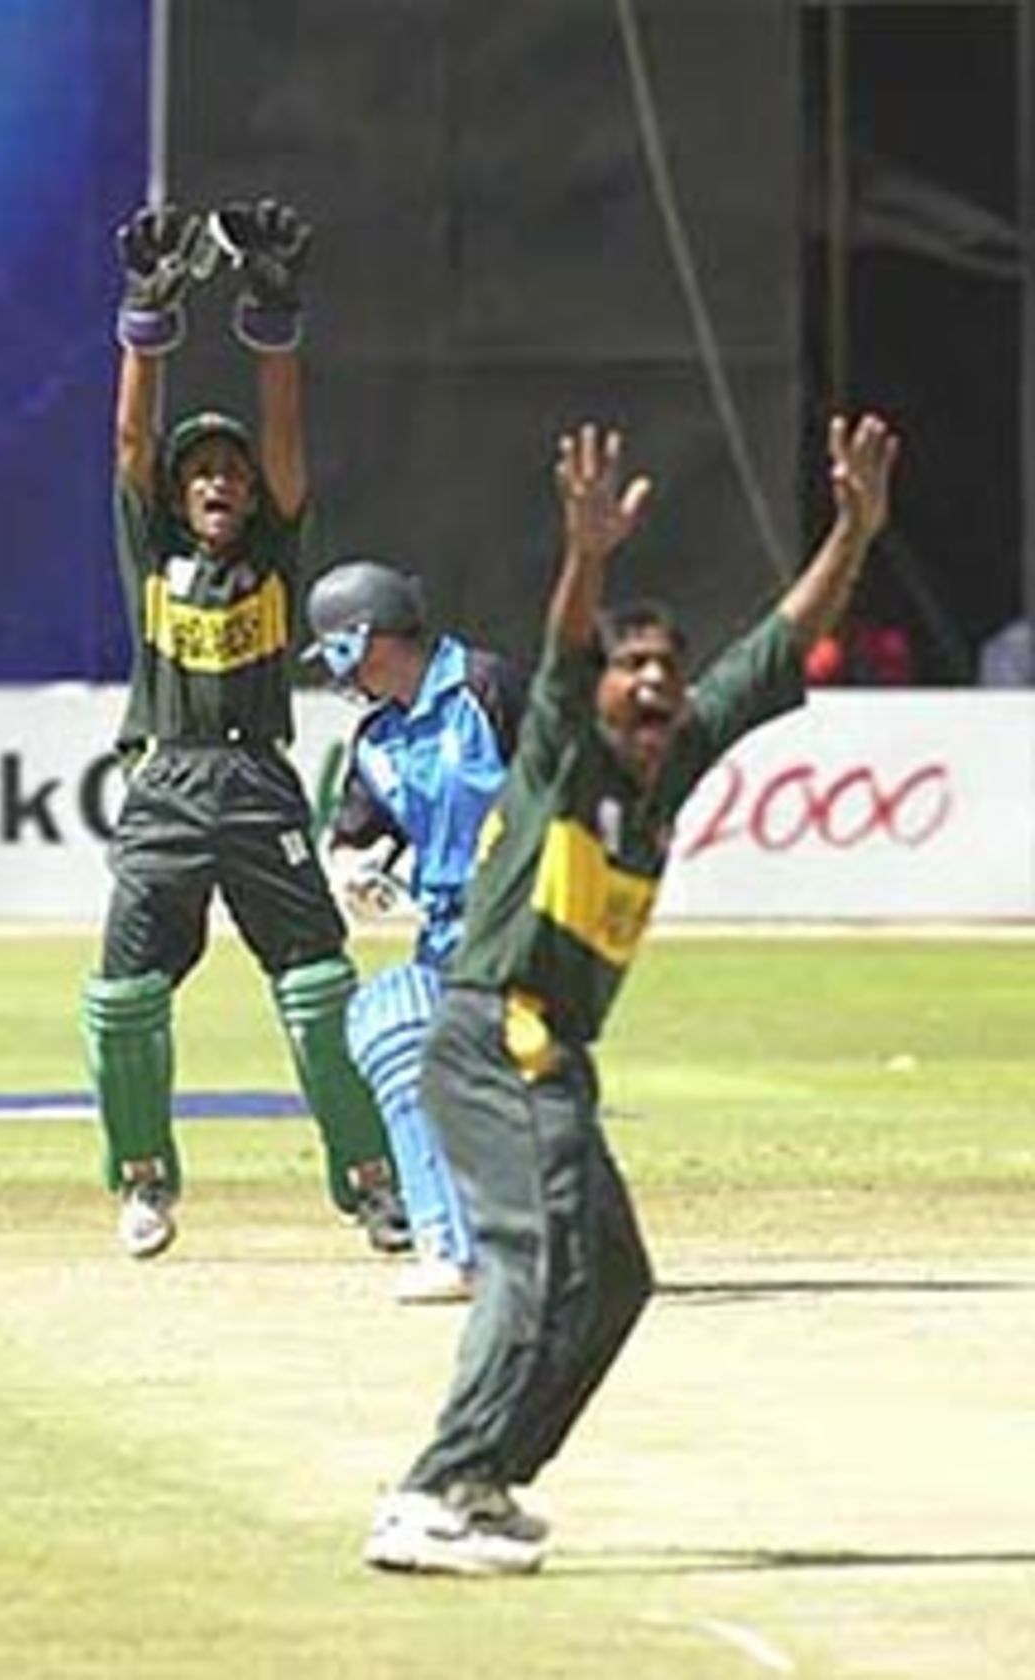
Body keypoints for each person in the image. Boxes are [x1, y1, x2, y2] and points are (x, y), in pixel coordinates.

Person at [364, 412, 900, 1575]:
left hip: (554, 1053)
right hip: (492, 1035)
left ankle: (492, 1479)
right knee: (541, 1260)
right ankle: (428, 1492)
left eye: (666, 666)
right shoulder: (564, 744)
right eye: (632, 666)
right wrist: (589, 555)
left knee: (614, 1280)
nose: (653, 681)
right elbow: (564, 649)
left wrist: (854, 531)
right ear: (596, 689)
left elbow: (781, 637)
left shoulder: (676, 756)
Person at [80, 198, 407, 1260]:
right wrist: (145, 316)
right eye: (200, 474)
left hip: (259, 787)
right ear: (177, 498)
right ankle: (144, 1182)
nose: (219, 481)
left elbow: (285, 442)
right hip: (166, 788)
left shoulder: (274, 551)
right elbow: (133, 440)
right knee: (124, 1003)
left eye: (230, 473)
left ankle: (371, 1186)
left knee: (317, 992)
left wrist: (271, 315)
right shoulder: (150, 550)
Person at [303, 559, 527, 1303]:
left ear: (361, 638)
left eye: (331, 646)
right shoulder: (379, 738)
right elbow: (353, 835)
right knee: (386, 1024)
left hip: (528, 922)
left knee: (406, 1030)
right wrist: (354, 873)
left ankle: (461, 1247)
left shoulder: (488, 688)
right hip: (446, 933)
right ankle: (481, 1241)